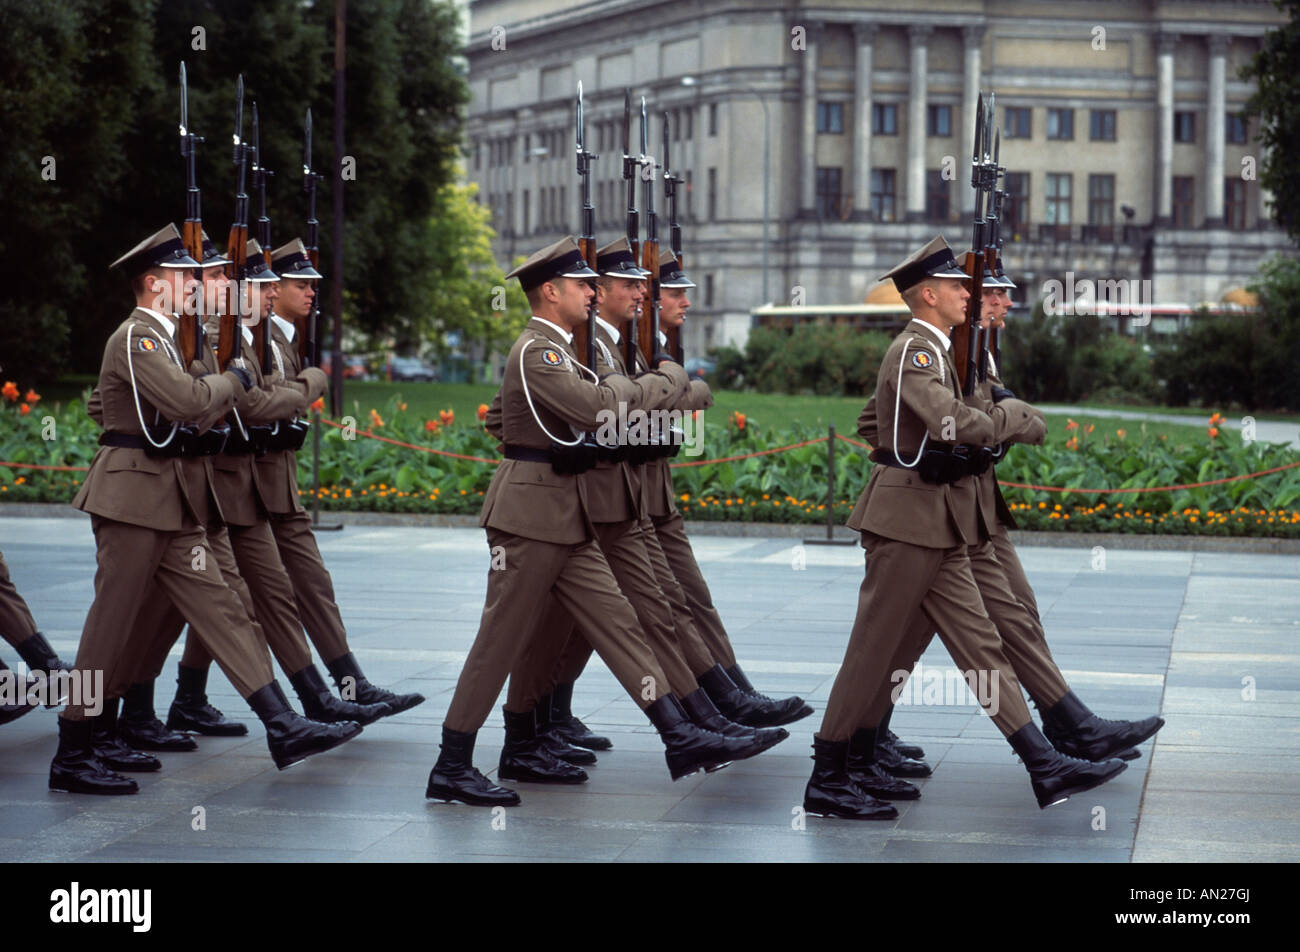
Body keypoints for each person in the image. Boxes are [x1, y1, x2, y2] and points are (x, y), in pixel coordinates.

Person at [425, 236, 782, 807]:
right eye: (583, 285)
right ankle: (451, 762)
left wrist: (623, 393)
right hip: (530, 518)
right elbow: (597, 408)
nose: (593, 293)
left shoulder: (564, 351)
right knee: (498, 643)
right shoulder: (535, 351)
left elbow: (602, 402)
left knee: (621, 624)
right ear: (550, 291)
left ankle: (680, 733)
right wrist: (661, 382)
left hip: (570, 515)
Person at [804, 236, 1128, 820]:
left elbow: (902, 423)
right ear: (928, 295)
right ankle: (829, 774)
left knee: (981, 647)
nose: (968, 292)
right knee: (871, 653)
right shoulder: (915, 352)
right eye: (957, 285)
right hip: (905, 525)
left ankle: (1043, 764)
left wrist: (928, 445)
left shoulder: (941, 350)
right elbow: (951, 420)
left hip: (940, 522)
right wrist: (1010, 418)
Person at [50, 225, 361, 796]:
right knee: (110, 623)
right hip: (133, 498)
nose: (194, 283)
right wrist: (233, 378)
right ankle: (75, 745)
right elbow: (189, 401)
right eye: (182, 276)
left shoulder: (168, 339)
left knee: (224, 606)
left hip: (174, 497)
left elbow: (181, 405)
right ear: (152, 284)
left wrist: (212, 389)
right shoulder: (137, 337)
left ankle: (283, 723)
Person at [120, 237, 389, 750]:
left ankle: (293, 708)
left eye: (217, 276)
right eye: (214, 276)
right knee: (143, 612)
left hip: (219, 492)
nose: (210, 283)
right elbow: (231, 401)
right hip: (190, 489)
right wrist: (253, 387)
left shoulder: (214, 337)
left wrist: (226, 395)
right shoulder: (157, 336)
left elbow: (234, 399)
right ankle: (104, 721)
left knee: (240, 602)